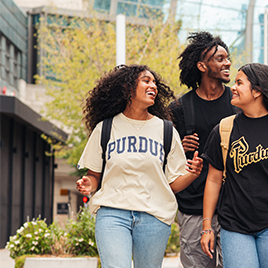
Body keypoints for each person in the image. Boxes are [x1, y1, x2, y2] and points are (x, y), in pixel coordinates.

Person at [75, 64, 203, 268]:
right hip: (112, 212)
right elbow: (94, 175)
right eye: (146, 80)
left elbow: (172, 184)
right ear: (128, 88)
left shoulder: (166, 130)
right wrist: (88, 184)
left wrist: (193, 174)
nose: (153, 85)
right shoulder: (106, 128)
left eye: (154, 82)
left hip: (154, 216)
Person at [200, 63, 268, 268]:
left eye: (239, 83)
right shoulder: (224, 129)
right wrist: (207, 226)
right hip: (235, 225)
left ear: (257, 91)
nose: (233, 87)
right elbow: (214, 180)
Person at [168, 31, 238, 268]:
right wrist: (180, 144)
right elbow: (164, 156)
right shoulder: (179, 107)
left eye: (227, 58)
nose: (227, 63)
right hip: (193, 208)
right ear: (202, 66)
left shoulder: (238, 104)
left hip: (233, 206)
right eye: (219, 58)